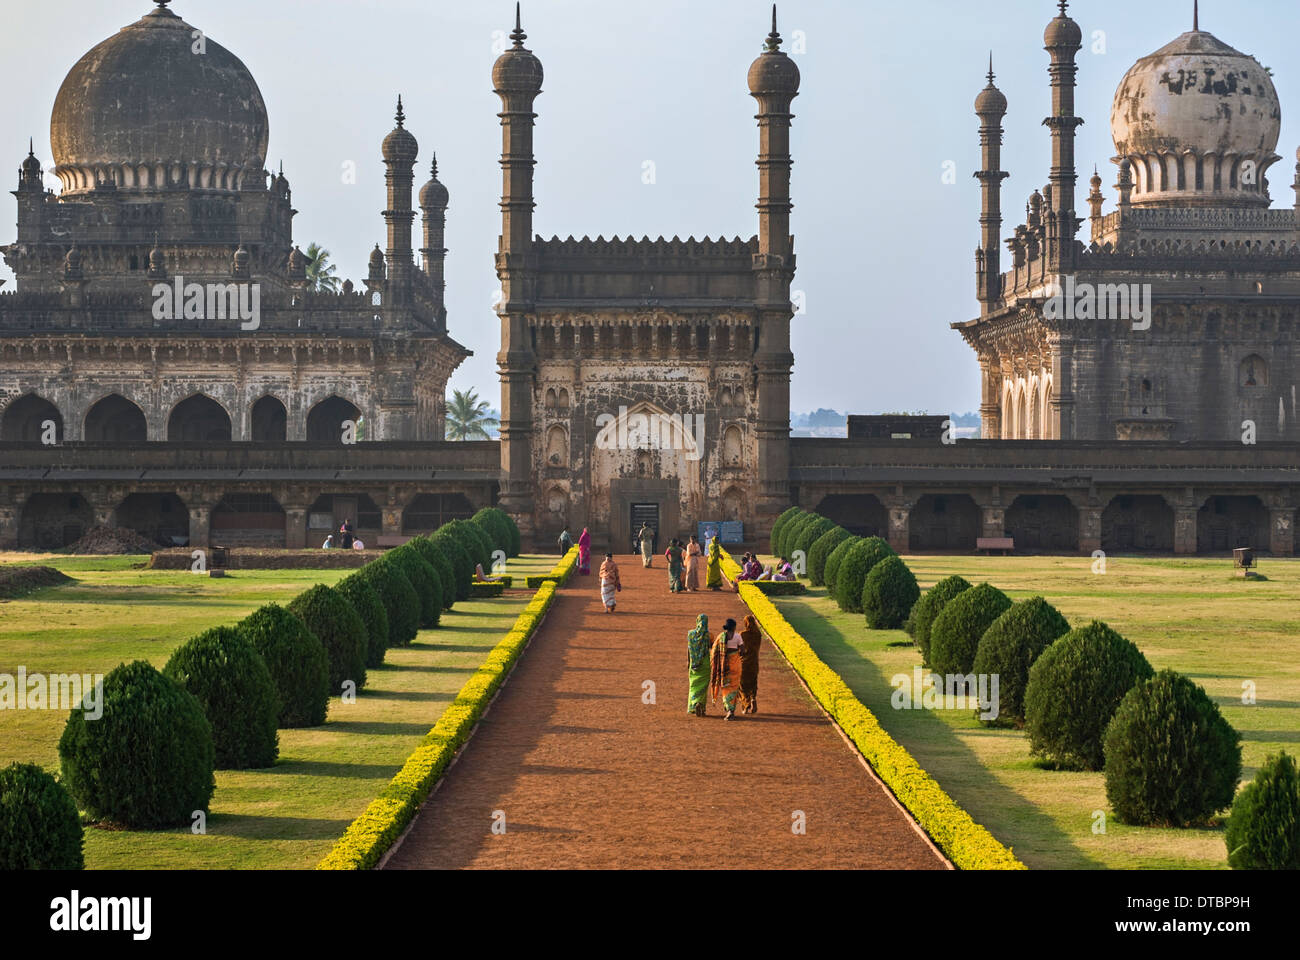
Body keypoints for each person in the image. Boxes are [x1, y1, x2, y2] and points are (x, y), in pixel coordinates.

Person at [709, 618, 744, 720]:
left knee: (726, 687)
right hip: (736, 665)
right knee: (734, 687)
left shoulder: (721, 636)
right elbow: (743, 650)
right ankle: (731, 710)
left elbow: (714, 650)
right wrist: (736, 654)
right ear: (734, 627)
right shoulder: (738, 636)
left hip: (724, 667)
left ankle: (729, 709)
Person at [686, 614, 711, 717]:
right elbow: (711, 647)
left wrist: (688, 661)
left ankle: (694, 704)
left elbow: (688, 649)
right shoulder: (707, 635)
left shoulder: (690, 634)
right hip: (705, 663)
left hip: (693, 663)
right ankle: (700, 704)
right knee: (703, 686)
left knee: (693, 685)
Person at [738, 615, 763, 715]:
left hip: (744, 663)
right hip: (754, 663)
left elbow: (740, 649)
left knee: (742, 685)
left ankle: (746, 704)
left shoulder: (742, 634)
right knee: (753, 683)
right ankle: (753, 699)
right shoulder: (758, 635)